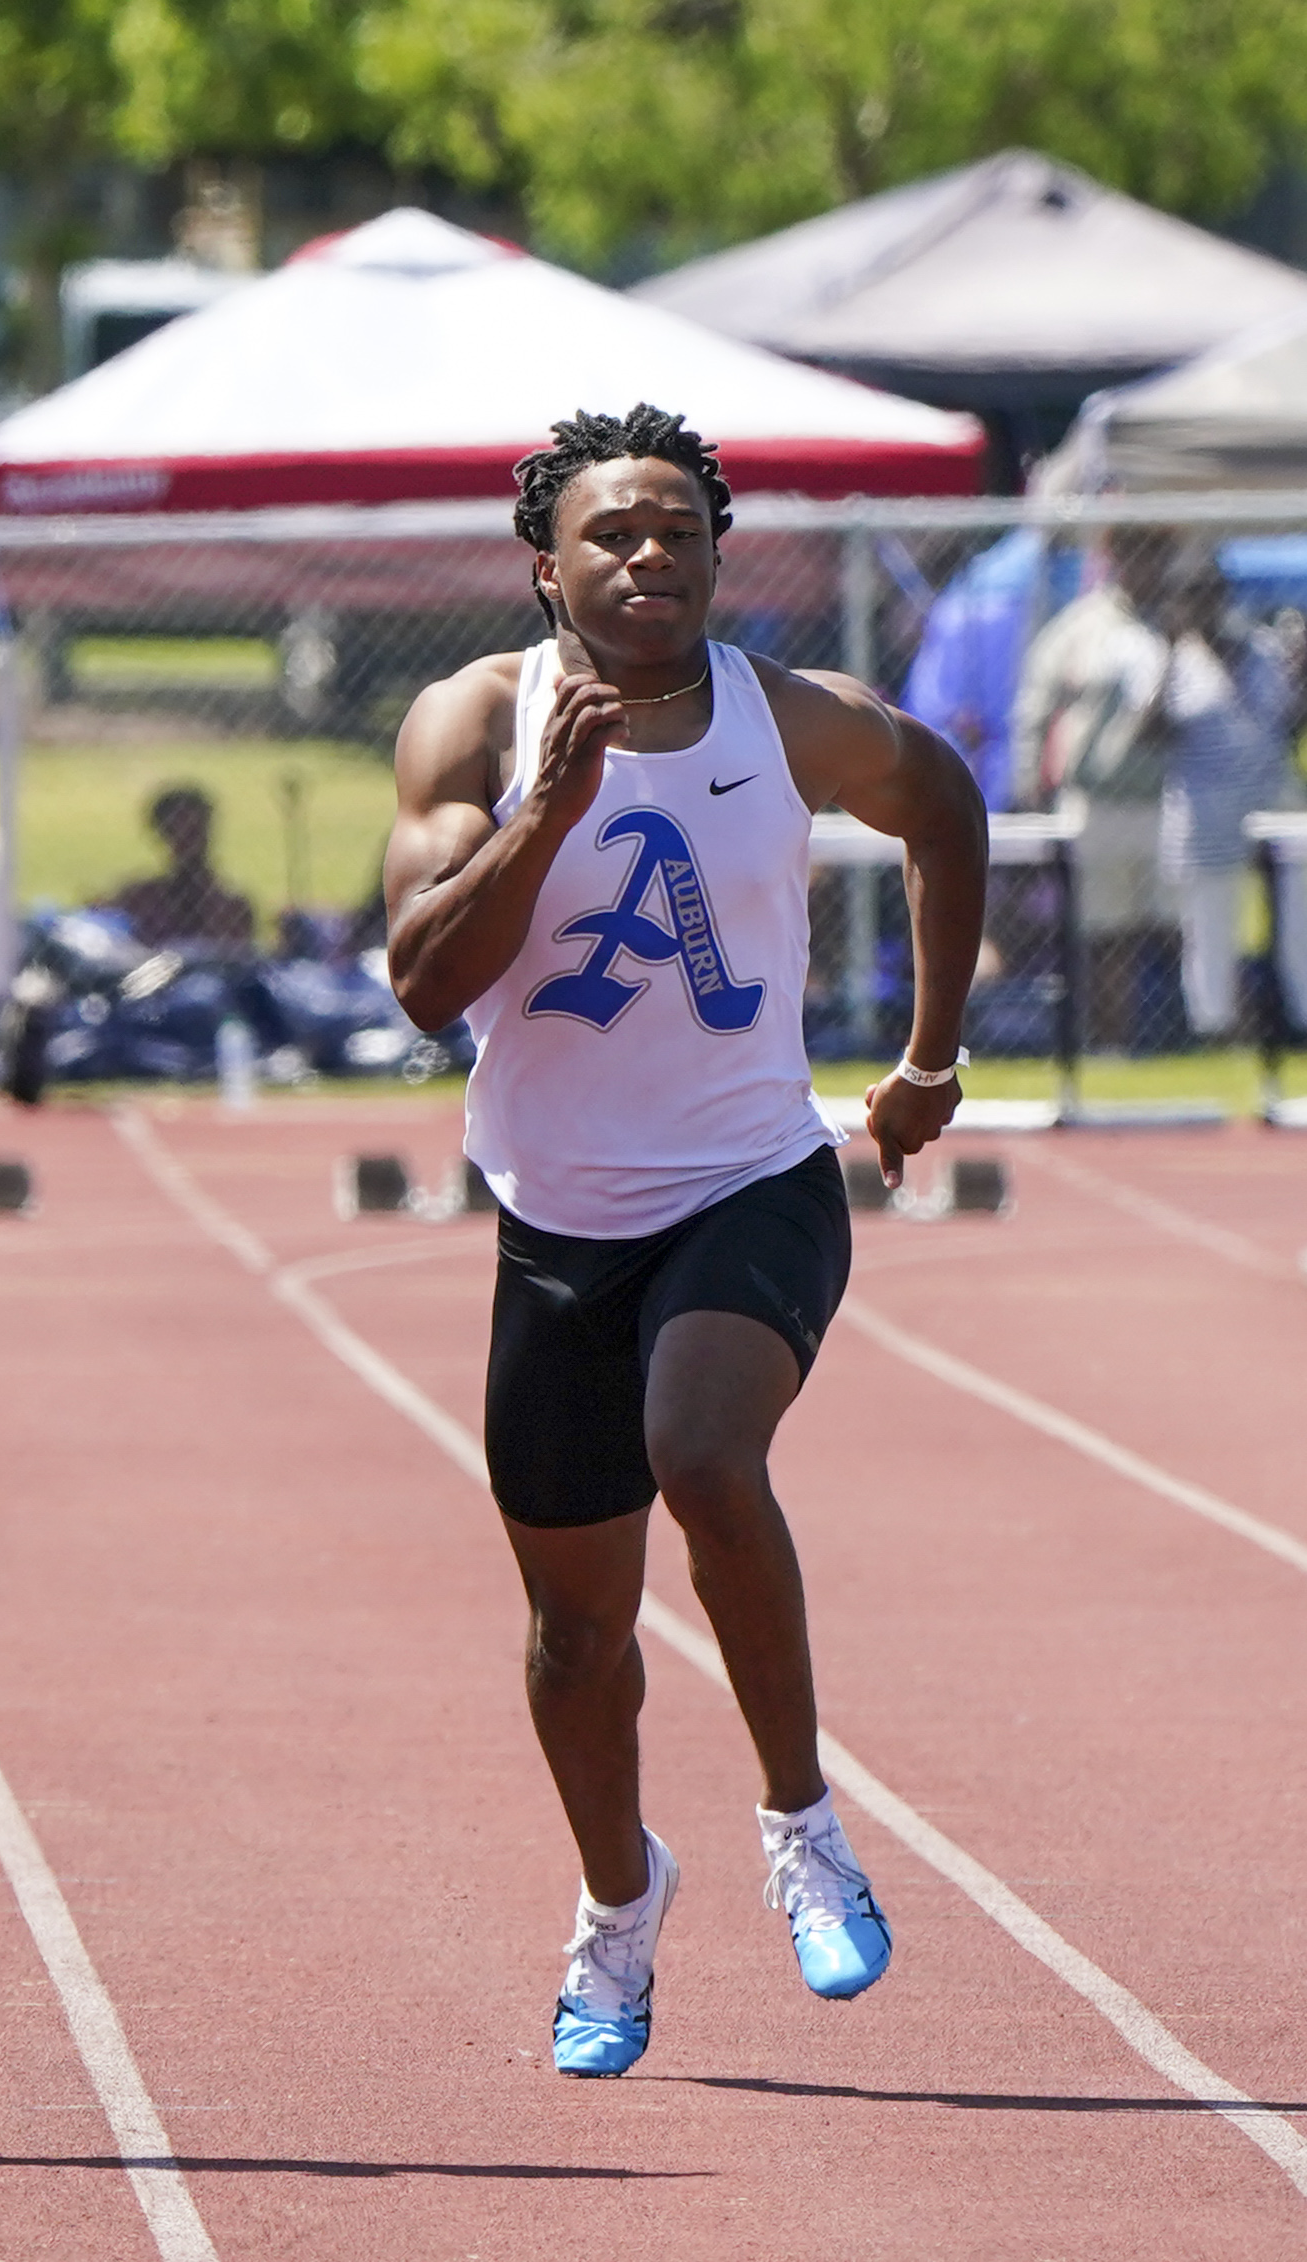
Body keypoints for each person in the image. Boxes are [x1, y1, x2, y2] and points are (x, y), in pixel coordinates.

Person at [383, 404, 986, 2079]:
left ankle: (801, 1819)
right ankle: (617, 1904)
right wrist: (547, 811)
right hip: (554, 1224)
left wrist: (927, 1060)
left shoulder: (789, 722)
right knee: (577, 1635)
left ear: (717, 553)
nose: (646, 557)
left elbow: (943, 807)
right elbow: (425, 984)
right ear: (545, 565)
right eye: (610, 534)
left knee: (702, 1450)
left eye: (676, 531)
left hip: (749, 1180)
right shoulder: (474, 722)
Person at [1014, 529, 1184, 1047]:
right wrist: (1027, 785)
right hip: (1097, 801)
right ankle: (1111, 1045)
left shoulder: (1187, 620)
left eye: (1155, 551)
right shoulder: (1082, 626)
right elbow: (1036, 706)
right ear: (1114, 558)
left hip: (1173, 801)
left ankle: (1198, 1039)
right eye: (1134, 550)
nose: (1144, 562)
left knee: (1181, 929)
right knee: (1105, 935)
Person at [1149, 550, 1307, 1040]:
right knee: (1210, 927)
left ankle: (1301, 1020)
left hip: (1273, 799)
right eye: (1192, 596)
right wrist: (1170, 655)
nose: (1205, 605)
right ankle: (1213, 1028)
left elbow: (1288, 723)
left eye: (1212, 593)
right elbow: (1147, 733)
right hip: (1206, 812)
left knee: (1299, 916)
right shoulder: (1173, 662)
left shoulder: (1262, 650)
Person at [104, 783, 256, 948]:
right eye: (177, 832)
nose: (190, 843)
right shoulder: (140, 899)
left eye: (194, 832)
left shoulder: (231, 906)